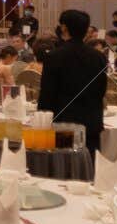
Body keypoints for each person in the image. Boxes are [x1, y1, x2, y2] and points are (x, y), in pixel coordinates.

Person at [38, 9, 108, 154]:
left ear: (64, 28)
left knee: (66, 164)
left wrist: (42, 120)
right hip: (92, 121)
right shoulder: (99, 57)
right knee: (90, 165)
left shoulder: (54, 56)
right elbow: (101, 90)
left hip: (64, 123)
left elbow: (47, 94)